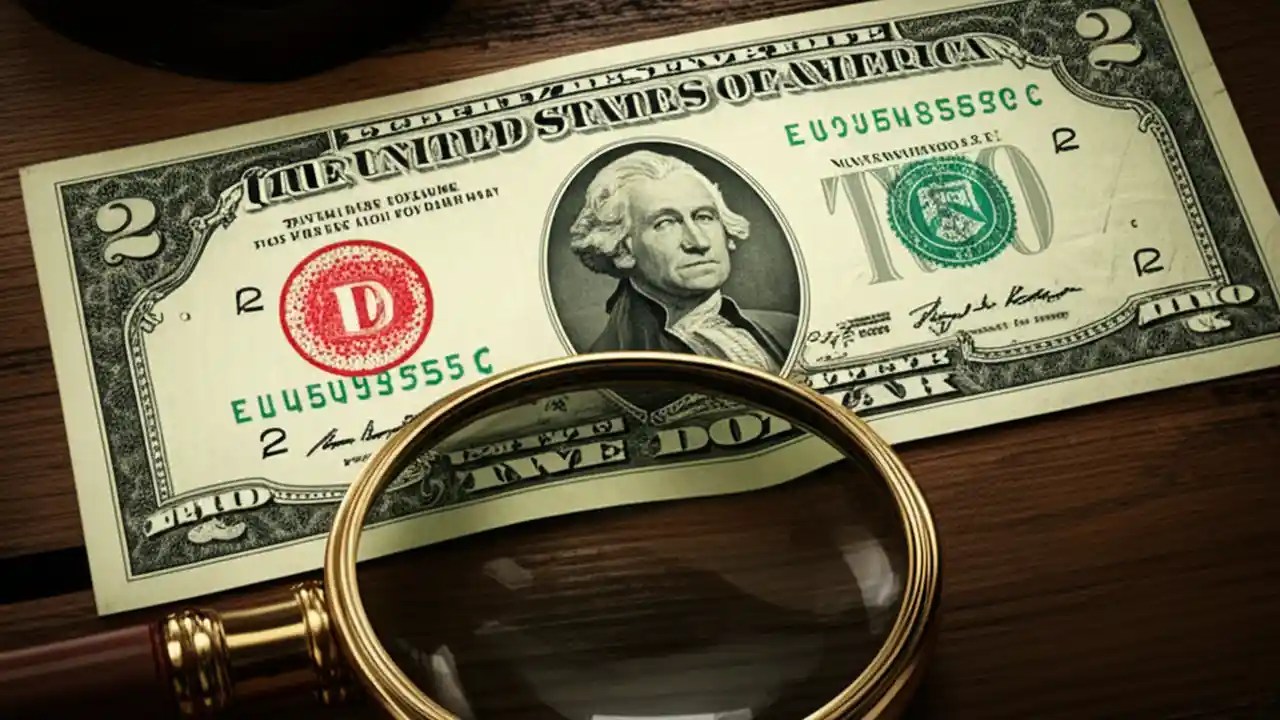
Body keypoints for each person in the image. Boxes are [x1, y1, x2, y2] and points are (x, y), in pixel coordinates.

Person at [568, 150, 797, 374]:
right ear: (623, 250)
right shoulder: (614, 372)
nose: (698, 242)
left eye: (704, 217)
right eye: (665, 223)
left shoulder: (785, 329)